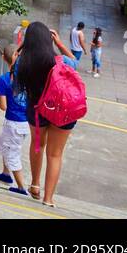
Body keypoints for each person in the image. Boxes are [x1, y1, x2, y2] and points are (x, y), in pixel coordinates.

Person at [15, 21, 80, 206]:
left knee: (38, 145)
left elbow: (16, 83)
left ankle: (35, 185)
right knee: (55, 154)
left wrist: (21, 48)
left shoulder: (24, 62)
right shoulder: (61, 61)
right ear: (48, 40)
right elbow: (75, 63)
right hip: (63, 110)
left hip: (37, 109)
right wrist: (60, 44)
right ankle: (48, 198)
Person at [0, 45, 32, 196]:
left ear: (3, 58)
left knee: (12, 154)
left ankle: (21, 187)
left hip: (13, 123)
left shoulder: (3, 79)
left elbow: (3, 106)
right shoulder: (27, 77)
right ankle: (5, 174)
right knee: (2, 143)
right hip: (25, 123)